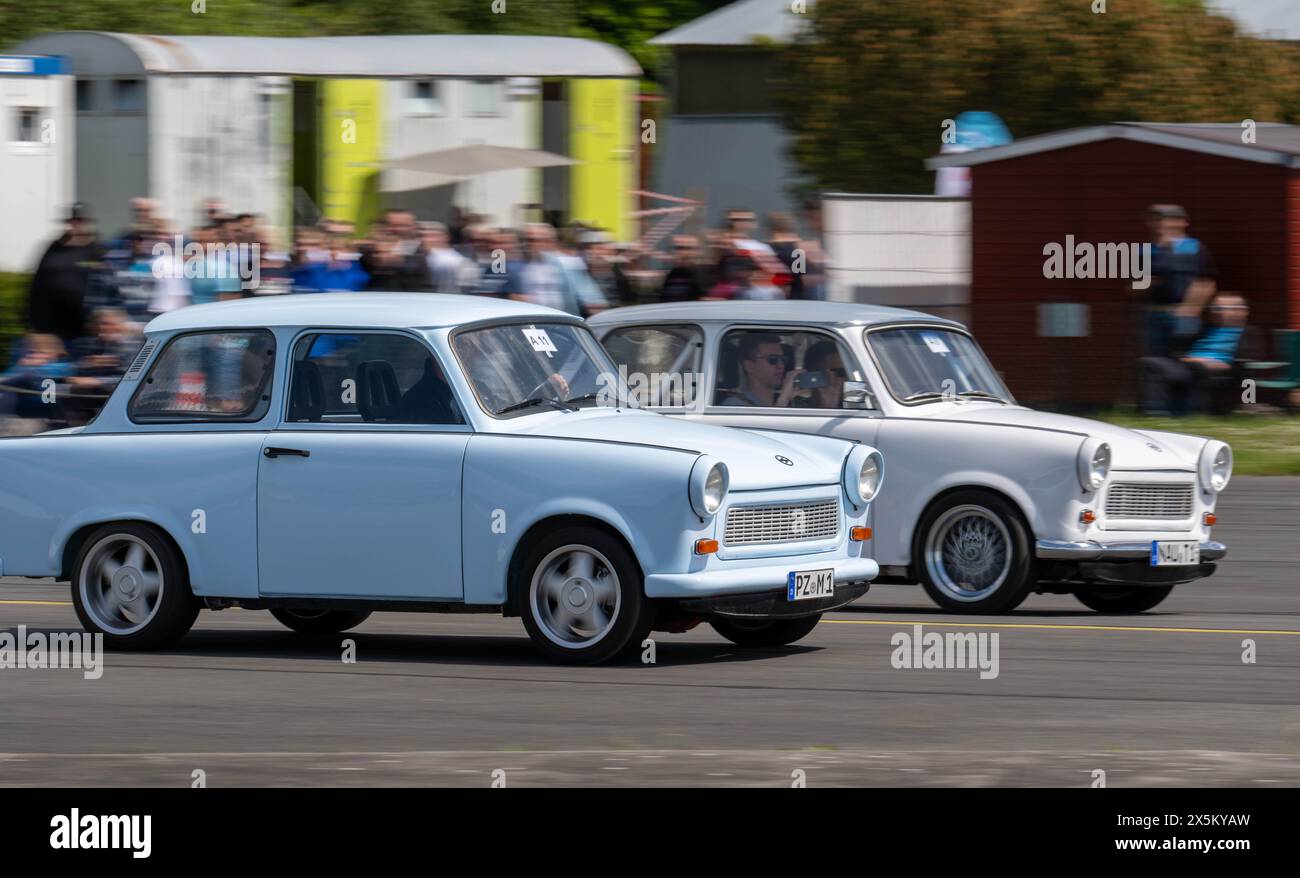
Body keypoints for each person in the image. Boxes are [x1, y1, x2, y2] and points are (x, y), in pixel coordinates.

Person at [1140, 293, 1247, 415]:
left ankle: (1195, 412)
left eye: (1219, 308)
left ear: (1239, 311)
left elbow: (1238, 364)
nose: (1214, 312)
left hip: (1210, 369)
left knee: (1195, 368)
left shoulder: (1243, 334)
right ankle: (1155, 412)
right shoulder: (1206, 329)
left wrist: (1200, 361)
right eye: (1213, 308)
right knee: (1152, 363)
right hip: (1187, 364)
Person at [1140, 204, 1216, 358]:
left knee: (1186, 359)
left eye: (1170, 219)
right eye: (1157, 220)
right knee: (1157, 361)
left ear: (1183, 222)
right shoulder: (1146, 250)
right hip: (1155, 315)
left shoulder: (1193, 247)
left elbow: (1207, 283)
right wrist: (1147, 284)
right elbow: (1133, 289)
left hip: (1185, 315)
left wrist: (1190, 309)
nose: (1162, 224)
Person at [27, 203, 105, 343]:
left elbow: (106, 286)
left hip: (85, 331)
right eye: (72, 221)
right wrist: (36, 326)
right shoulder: (53, 248)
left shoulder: (97, 251)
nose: (75, 225)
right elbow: (37, 285)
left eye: (79, 221)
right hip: (52, 332)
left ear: (87, 222)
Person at [719, 333, 804, 407]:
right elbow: (768, 426)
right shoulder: (734, 406)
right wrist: (783, 400)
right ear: (750, 366)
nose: (781, 365)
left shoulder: (784, 402)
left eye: (783, 359)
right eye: (773, 359)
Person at [791, 339, 847, 409]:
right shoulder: (798, 408)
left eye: (845, 372)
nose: (844, 379)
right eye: (839, 373)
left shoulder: (857, 406)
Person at [658, 235, 707, 303]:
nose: (682, 252)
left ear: (697, 251)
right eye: (678, 248)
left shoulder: (702, 275)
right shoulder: (672, 274)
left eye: (687, 248)